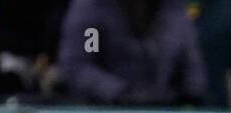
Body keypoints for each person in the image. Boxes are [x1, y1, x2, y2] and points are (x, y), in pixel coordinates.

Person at [57, 0, 207, 106]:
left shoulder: (173, 9)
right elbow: (80, 65)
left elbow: (190, 60)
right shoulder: (93, 10)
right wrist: (120, 92)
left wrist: (190, 93)